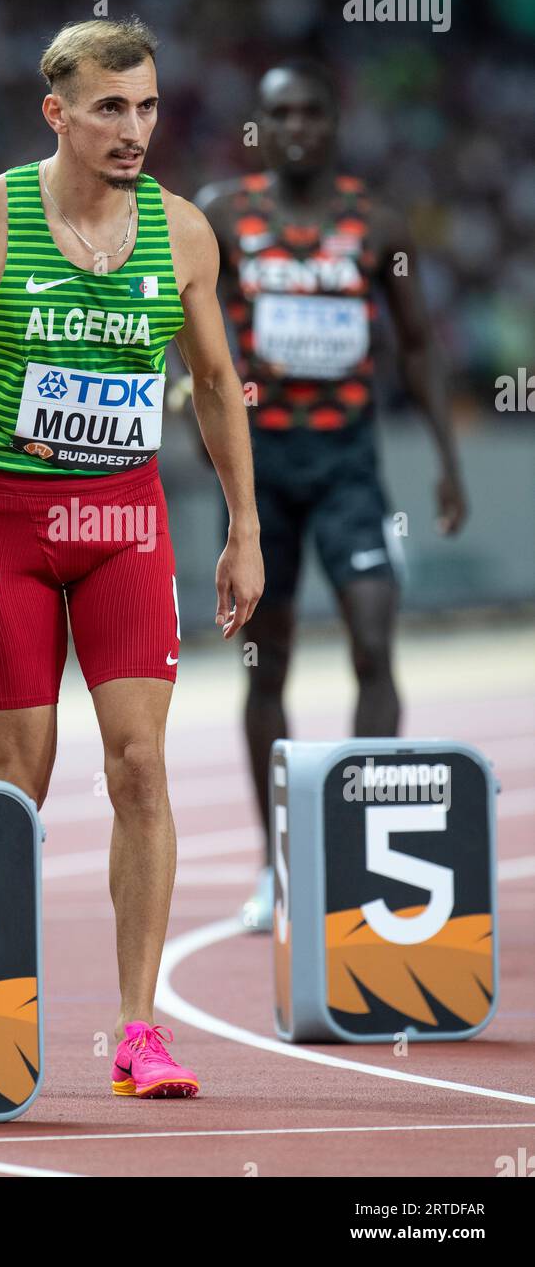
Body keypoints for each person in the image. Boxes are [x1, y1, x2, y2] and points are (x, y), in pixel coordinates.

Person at [0, 18, 264, 1096]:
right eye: (108, 107)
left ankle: (138, 1034)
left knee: (139, 765)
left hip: (125, 527)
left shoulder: (183, 233)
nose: (133, 128)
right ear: (57, 112)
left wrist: (243, 527)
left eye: (145, 106)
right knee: (16, 785)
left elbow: (221, 384)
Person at [192, 60, 466, 932]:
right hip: (258, 468)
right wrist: (181, 408)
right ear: (260, 129)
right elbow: (183, 323)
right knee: (265, 664)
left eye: (314, 112)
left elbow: (416, 344)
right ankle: (277, 869)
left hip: (350, 466)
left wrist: (447, 456)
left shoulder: (377, 221)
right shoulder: (224, 213)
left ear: (333, 125)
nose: (300, 127)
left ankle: (361, 852)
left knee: (376, 648)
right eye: (283, 114)